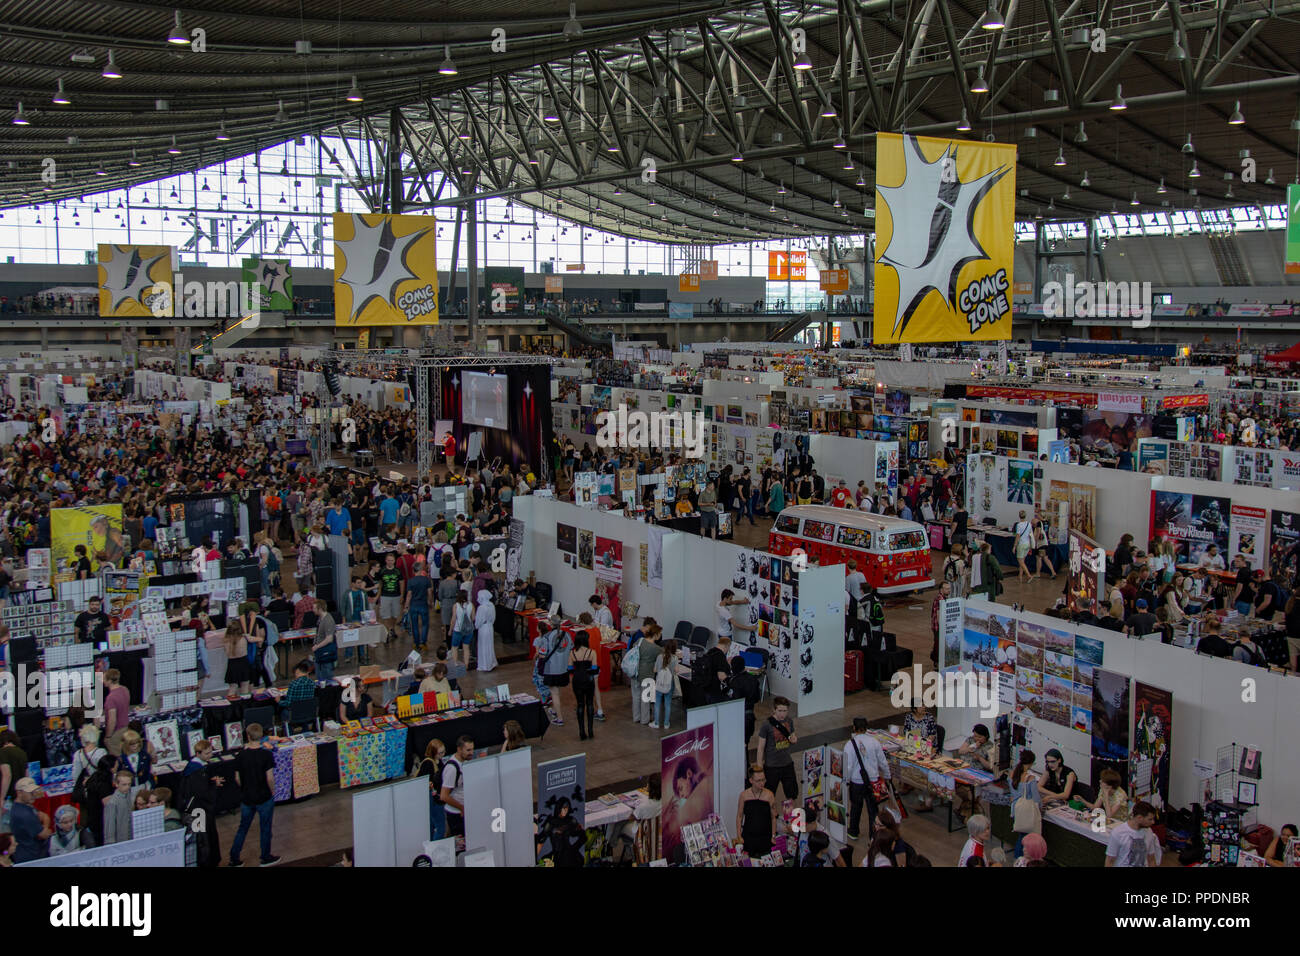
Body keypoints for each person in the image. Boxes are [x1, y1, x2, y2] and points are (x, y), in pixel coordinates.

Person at [229, 723, 280, 866]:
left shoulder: (240, 755)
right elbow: (270, 778)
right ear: (262, 736)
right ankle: (265, 857)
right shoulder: (266, 755)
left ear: (247, 736)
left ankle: (234, 858)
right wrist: (273, 791)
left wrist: (245, 788)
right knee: (265, 827)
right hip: (264, 796)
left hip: (247, 797)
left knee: (243, 828)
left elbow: (237, 778)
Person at [843, 715, 891, 840]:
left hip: (856, 782)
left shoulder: (849, 744)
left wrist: (845, 781)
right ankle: (873, 835)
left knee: (856, 807)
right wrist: (887, 776)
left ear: (854, 728)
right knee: (873, 810)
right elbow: (883, 761)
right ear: (866, 728)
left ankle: (853, 831)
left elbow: (848, 766)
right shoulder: (874, 742)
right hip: (873, 781)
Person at [180, 739, 221, 867]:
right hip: (199, 810)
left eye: (211, 752)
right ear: (198, 753)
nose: (210, 756)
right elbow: (203, 793)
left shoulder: (194, 768)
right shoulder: (196, 771)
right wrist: (214, 785)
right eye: (207, 753)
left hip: (197, 809)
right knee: (203, 840)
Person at [757, 697, 798, 801]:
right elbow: (760, 748)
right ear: (774, 710)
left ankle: (790, 815)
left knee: (792, 794)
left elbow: (792, 735)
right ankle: (771, 816)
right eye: (780, 711)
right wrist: (759, 769)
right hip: (772, 766)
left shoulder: (789, 721)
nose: (782, 714)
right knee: (768, 796)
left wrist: (794, 739)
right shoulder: (766, 725)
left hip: (787, 763)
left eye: (785, 711)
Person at [954, 723, 995, 820]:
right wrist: (970, 748)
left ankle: (969, 808)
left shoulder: (990, 746)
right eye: (975, 735)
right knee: (955, 784)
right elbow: (960, 751)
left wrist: (980, 758)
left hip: (978, 771)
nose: (976, 738)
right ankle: (967, 805)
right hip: (964, 767)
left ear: (985, 736)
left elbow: (990, 766)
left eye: (979, 737)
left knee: (972, 792)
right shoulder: (970, 740)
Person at [735, 764, 777, 858]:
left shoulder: (769, 795)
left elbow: (773, 817)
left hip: (765, 837)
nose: (762, 783)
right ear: (751, 781)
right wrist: (739, 835)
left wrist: (773, 836)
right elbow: (739, 816)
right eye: (758, 781)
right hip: (748, 837)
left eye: (763, 780)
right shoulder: (744, 796)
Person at [1007, 750, 1042, 858]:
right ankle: (1020, 860)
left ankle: (1019, 859)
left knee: (1021, 835)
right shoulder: (1030, 779)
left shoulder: (1011, 774)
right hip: (1026, 811)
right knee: (1025, 838)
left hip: (1015, 808)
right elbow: (1036, 799)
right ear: (1031, 763)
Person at [9, 777, 51, 863]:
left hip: (32, 854)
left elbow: (43, 816)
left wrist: (45, 819)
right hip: (30, 858)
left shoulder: (25, 806)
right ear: (19, 793)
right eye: (30, 792)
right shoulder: (24, 814)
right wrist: (46, 825)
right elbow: (44, 834)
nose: (33, 795)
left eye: (33, 792)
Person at [1104, 801, 1159, 867]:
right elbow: (1110, 861)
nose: (1153, 822)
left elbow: (1151, 859)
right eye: (1150, 819)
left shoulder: (1149, 832)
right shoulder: (1118, 833)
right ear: (1139, 818)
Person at [440, 735, 474, 837]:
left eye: (472, 749)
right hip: (456, 814)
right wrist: (462, 808)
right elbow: (444, 796)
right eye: (468, 750)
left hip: (462, 811)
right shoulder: (452, 769)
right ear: (459, 749)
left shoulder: (464, 762)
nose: (471, 753)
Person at [724, 656, 761, 746]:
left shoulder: (734, 682)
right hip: (750, 716)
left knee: (736, 744)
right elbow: (757, 698)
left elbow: (731, 700)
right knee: (745, 744)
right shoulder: (753, 679)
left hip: (738, 718)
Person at [414, 739, 447, 840]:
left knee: (432, 827)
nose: (443, 754)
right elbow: (422, 781)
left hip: (435, 798)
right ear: (433, 753)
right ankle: (434, 848)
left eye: (444, 752)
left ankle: (431, 848)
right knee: (440, 828)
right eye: (440, 753)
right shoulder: (428, 763)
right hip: (433, 799)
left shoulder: (439, 761)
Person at [569, 631, 599, 740]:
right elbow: (595, 668)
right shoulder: (592, 652)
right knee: (590, 703)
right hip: (588, 679)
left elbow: (569, 669)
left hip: (577, 680)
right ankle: (590, 730)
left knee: (580, 704)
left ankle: (582, 731)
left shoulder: (572, 653)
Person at [631, 622, 662, 725]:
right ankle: (645, 720)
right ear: (656, 634)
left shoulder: (640, 641)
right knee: (646, 698)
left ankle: (636, 717)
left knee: (636, 696)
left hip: (635, 671)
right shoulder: (656, 649)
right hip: (647, 675)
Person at [403, 560, 433, 650]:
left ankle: (416, 643)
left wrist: (406, 606)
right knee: (425, 624)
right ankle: (423, 642)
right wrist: (430, 602)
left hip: (414, 605)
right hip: (423, 604)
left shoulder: (411, 581)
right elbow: (430, 592)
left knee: (415, 624)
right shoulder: (426, 580)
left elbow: (409, 595)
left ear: (413, 570)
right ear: (421, 570)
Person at [651, 638, 680, 730]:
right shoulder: (675, 658)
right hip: (669, 683)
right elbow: (676, 671)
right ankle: (666, 723)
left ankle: (656, 723)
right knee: (668, 703)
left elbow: (654, 670)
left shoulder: (660, 657)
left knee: (657, 703)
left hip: (659, 682)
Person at [312, 597, 338, 681]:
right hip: (320, 653)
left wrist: (317, 646)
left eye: (314, 608)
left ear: (320, 609)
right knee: (319, 675)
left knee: (327, 677)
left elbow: (329, 639)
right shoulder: (320, 619)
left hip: (326, 653)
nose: (313, 610)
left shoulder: (328, 620)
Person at [449, 591, 475, 670]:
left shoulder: (456, 606)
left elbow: (453, 619)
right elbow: (473, 618)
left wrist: (450, 630)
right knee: (466, 647)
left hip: (458, 629)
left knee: (455, 647)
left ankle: (455, 663)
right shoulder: (471, 605)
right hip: (469, 630)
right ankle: (466, 665)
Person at [474, 589, 498, 673]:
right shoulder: (491, 605)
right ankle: (491, 663)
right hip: (490, 626)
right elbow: (493, 618)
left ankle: (484, 665)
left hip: (483, 628)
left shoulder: (481, 608)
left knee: (483, 646)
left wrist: (476, 626)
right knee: (490, 645)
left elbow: (478, 621)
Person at [1013, 509, 1034, 582]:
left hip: (1021, 544)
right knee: (1022, 561)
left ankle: (1028, 575)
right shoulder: (1029, 524)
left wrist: (1014, 546)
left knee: (1020, 561)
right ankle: (1020, 576)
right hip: (1027, 544)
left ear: (1019, 516)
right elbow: (1030, 534)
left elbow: (1018, 536)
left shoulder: (1019, 525)